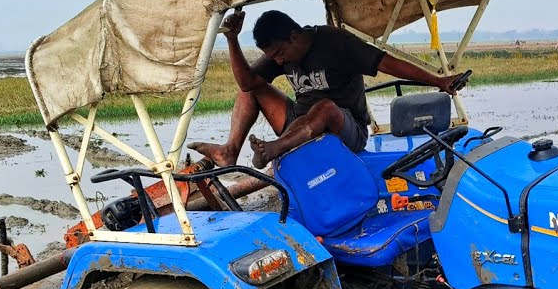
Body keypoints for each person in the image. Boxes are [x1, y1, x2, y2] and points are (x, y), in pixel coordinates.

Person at [190, 9, 470, 169]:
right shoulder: (282, 54)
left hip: (345, 129)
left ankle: (275, 150)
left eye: (279, 52)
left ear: (294, 36)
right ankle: (230, 150)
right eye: (272, 56)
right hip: (297, 126)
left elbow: (388, 63)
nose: (278, 61)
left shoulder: (334, 42)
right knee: (252, 89)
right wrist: (232, 40)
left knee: (323, 108)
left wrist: (439, 81)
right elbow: (247, 82)